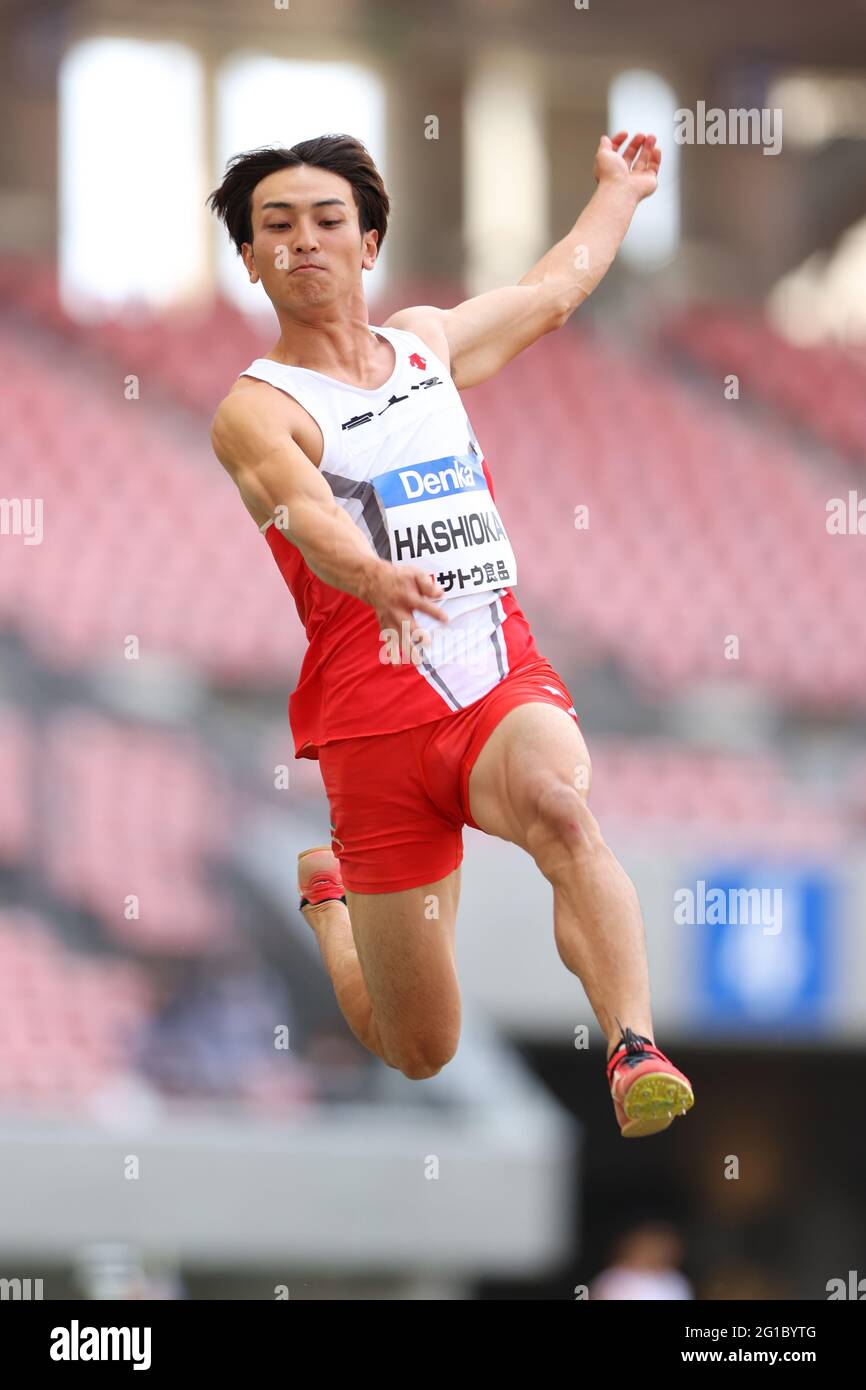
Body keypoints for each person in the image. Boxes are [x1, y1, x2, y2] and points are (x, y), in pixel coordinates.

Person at [208, 130, 694, 1137]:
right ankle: (330, 907)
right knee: (421, 1047)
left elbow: (552, 293)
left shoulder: (426, 344)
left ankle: (632, 1046)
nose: (303, 240)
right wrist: (371, 573)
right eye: (275, 227)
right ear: (250, 260)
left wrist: (616, 192)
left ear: (369, 242)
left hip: (492, 675)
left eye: (326, 220)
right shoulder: (256, 410)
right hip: (372, 721)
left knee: (561, 811)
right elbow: (301, 508)